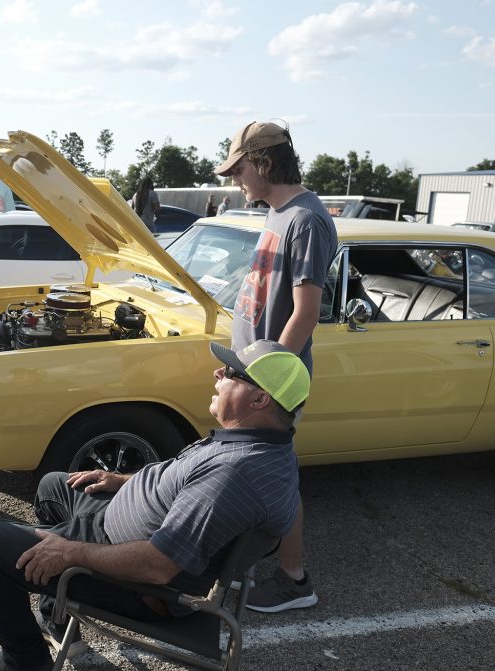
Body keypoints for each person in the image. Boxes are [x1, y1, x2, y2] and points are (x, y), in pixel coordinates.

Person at [0, 339, 309, 671]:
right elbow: (178, 481)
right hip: (120, 525)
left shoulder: (233, 474)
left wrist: (70, 553)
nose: (219, 374)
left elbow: (158, 567)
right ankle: (58, 612)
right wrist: (122, 481)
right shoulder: (265, 445)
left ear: (260, 399)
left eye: (233, 373)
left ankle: (25, 661)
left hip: (136, 579)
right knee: (54, 484)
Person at [214, 120, 339, 613]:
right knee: (249, 471)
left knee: (274, 476)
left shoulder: (306, 220)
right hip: (252, 375)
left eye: (239, 169)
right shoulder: (277, 214)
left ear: (264, 162)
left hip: (269, 383)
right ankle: (245, 564)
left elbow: (306, 313)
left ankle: (294, 581)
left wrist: (263, 380)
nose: (235, 179)